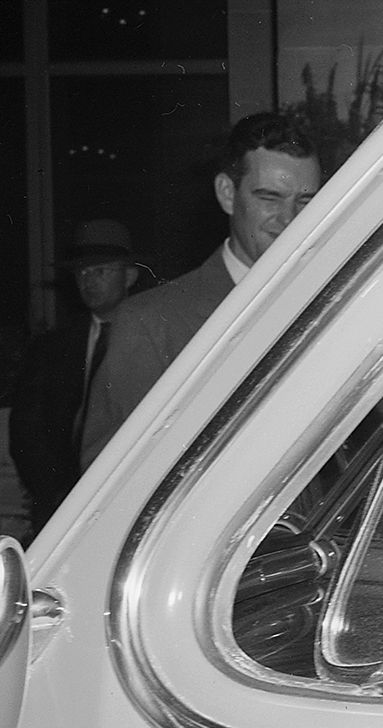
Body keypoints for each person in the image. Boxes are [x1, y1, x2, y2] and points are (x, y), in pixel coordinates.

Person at [78, 113, 321, 467]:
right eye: (270, 199)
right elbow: (107, 475)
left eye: (305, 202)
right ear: (227, 194)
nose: (289, 220)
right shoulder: (152, 323)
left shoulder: (336, 303)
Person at [9, 218, 141, 532]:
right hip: (63, 505)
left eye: (101, 271)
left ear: (130, 276)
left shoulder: (153, 337)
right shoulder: (53, 346)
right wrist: (55, 492)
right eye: (82, 273)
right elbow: (27, 430)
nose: (89, 281)